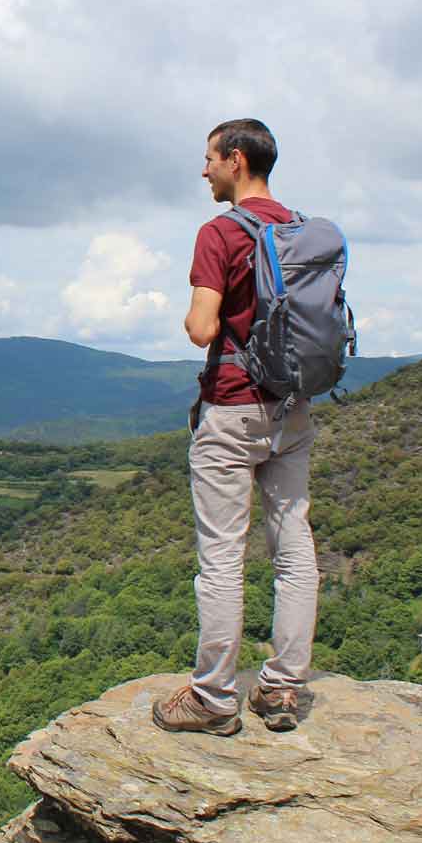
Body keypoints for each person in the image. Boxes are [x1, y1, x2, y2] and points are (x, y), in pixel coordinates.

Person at [152, 118, 318, 735]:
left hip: (233, 406)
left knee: (222, 555)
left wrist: (204, 309)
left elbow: (201, 328)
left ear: (237, 159)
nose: (204, 171)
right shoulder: (302, 231)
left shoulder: (220, 233)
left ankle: (214, 699)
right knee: (293, 547)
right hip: (293, 408)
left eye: (210, 159)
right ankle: (282, 689)